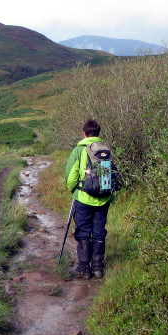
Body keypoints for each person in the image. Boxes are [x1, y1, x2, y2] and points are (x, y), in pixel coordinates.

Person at [65, 119, 112, 279]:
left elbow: (71, 176)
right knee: (99, 232)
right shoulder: (106, 150)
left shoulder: (79, 150)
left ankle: (84, 269)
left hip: (83, 198)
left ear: (84, 133)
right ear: (98, 134)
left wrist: (74, 190)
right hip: (104, 198)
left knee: (83, 231)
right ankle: (98, 268)